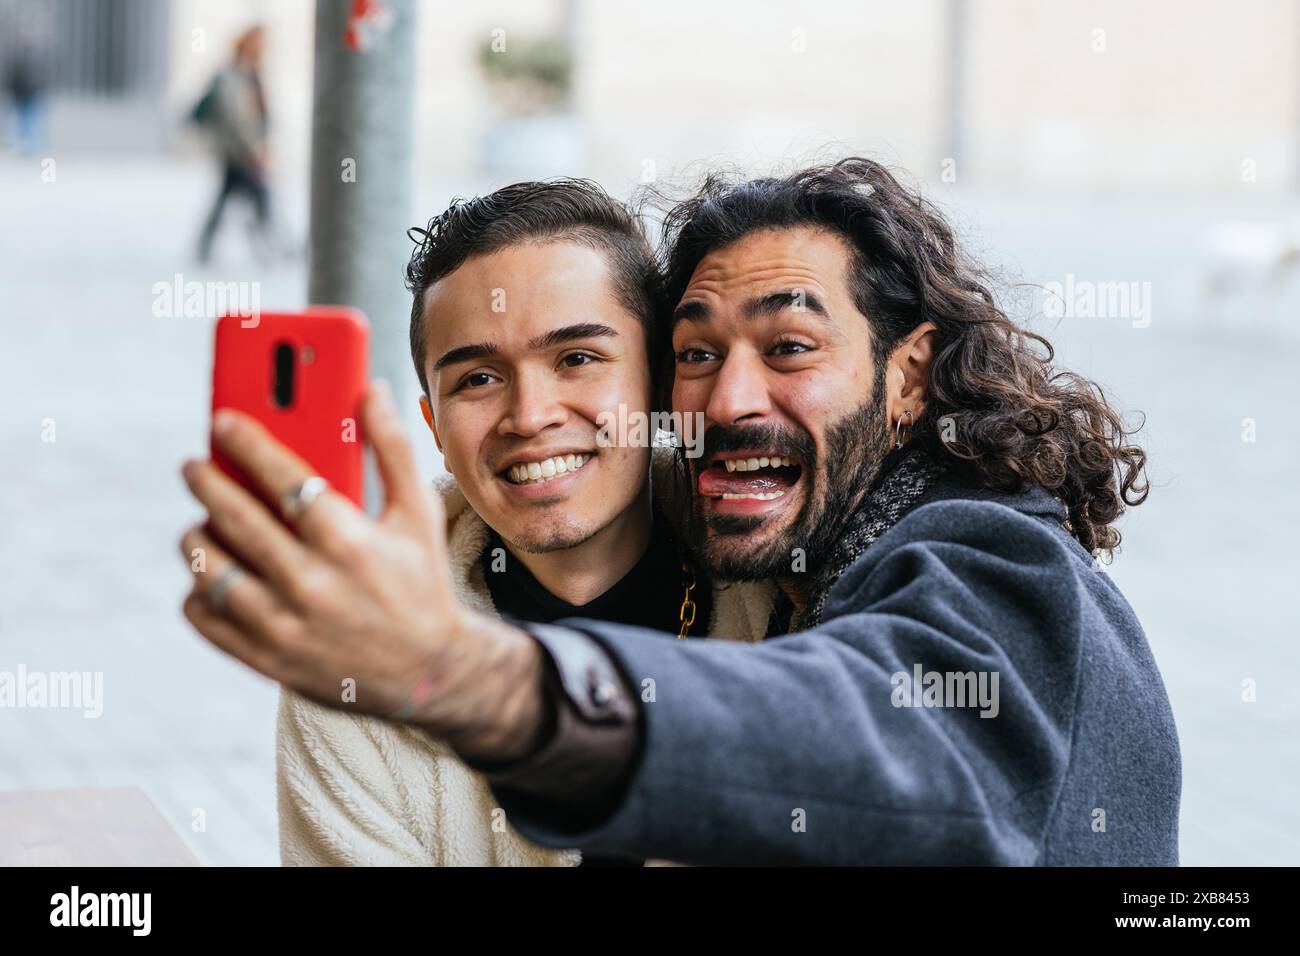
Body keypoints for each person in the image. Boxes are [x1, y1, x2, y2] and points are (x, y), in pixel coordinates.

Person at [179, 158, 1180, 865]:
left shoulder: (989, 551)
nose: (734, 398)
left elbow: (883, 742)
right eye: (699, 353)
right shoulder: (776, 556)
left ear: (907, 372)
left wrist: (464, 677)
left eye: (790, 347)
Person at [270, 180, 770, 865]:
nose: (530, 415)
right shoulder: (353, 666)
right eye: (477, 378)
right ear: (434, 429)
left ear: (657, 382)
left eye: (577, 359)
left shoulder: (781, 598)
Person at [193, 26, 274, 264]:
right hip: (236, 151)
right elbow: (235, 120)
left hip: (245, 150)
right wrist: (253, 150)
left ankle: (208, 245)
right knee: (259, 195)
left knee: (229, 197)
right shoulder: (231, 76)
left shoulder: (253, 74)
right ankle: (267, 241)